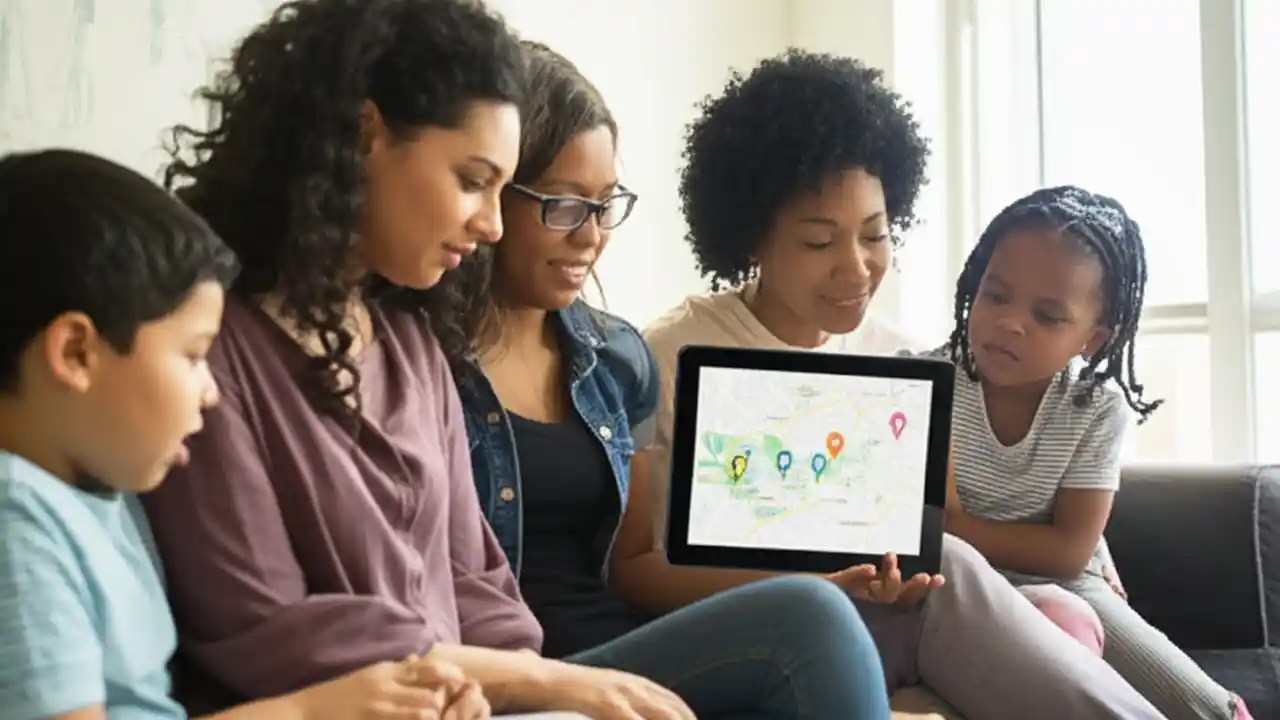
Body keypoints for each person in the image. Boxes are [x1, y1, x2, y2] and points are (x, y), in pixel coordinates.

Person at [139, 1, 692, 718]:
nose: (492, 225)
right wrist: (547, 684)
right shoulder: (209, 351)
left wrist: (527, 691)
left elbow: (478, 580)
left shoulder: (410, 344)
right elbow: (263, 625)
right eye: (471, 180)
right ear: (365, 135)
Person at [640, 50, 1168, 720]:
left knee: (1054, 612)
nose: (856, 269)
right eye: (817, 242)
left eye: (875, 236)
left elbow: (924, 536)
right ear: (751, 236)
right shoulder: (673, 353)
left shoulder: (903, 359)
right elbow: (644, 566)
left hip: (896, 623)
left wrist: (1086, 557)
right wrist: (810, 583)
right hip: (762, 629)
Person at [439, 40, 891, 719]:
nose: (591, 235)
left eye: (606, 203)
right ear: (492, 193)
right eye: (564, 206)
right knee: (810, 618)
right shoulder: (421, 364)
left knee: (824, 615)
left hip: (625, 652)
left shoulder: (615, 358)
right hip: (515, 675)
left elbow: (635, 567)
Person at [0, 149, 490, 720]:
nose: (210, 391)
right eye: (193, 355)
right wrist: (310, 711)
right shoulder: (18, 525)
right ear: (76, 352)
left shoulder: (99, 496)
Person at [939, 185, 1250, 720]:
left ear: (1094, 338)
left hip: (1067, 581)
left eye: (1048, 315)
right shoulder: (927, 384)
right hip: (954, 586)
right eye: (995, 295)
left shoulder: (1097, 410)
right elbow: (929, 534)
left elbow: (1066, 554)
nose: (1011, 322)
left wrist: (959, 527)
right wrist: (962, 534)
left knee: (1208, 709)